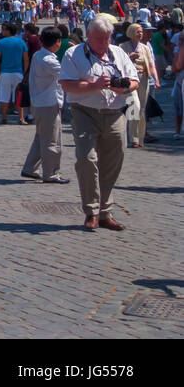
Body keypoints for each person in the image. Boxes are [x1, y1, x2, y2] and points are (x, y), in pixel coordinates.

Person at [59, 14, 138, 231]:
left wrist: (124, 87)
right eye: (99, 39)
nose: (104, 43)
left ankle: (105, 212)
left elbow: (134, 80)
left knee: (113, 162)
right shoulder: (73, 54)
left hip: (115, 113)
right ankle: (91, 211)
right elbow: (66, 84)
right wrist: (92, 85)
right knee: (87, 159)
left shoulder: (119, 53)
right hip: (85, 112)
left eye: (107, 38)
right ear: (89, 36)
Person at [22, 27, 69, 183]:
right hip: (48, 103)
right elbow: (65, 75)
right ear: (57, 42)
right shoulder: (49, 60)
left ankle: (30, 167)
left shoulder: (38, 55)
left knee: (41, 137)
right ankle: (51, 173)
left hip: (39, 102)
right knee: (52, 140)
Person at [123, 23, 159, 148]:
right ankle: (133, 139)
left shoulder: (145, 48)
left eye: (141, 31)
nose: (140, 33)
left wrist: (156, 79)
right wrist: (129, 57)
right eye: (138, 31)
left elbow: (151, 65)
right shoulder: (123, 47)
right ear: (131, 32)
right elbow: (118, 64)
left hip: (143, 78)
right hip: (129, 80)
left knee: (142, 109)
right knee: (134, 106)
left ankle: (140, 138)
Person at [0, 23, 29, 125]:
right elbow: (26, 59)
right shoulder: (21, 42)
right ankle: (21, 118)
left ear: (8, 31)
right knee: (19, 96)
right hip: (18, 72)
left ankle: (4, 117)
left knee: (4, 95)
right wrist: (25, 73)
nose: (2, 31)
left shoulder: (1, 42)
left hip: (5, 72)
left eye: (4, 30)